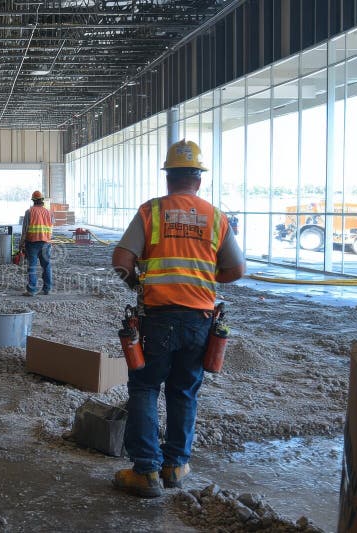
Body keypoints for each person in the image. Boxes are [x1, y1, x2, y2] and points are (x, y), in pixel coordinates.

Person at [110, 139, 245, 498]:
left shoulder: (151, 212)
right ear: (198, 179)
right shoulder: (216, 217)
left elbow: (121, 261)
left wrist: (137, 284)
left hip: (157, 318)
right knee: (184, 391)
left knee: (145, 387)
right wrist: (204, 280)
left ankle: (146, 472)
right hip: (201, 321)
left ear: (168, 178)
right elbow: (236, 270)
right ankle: (175, 466)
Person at [19, 190, 54, 296]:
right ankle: (47, 289)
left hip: (32, 243)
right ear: (42, 200)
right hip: (46, 243)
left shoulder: (29, 212)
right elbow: (51, 228)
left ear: (33, 200)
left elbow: (25, 230)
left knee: (32, 267)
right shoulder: (49, 212)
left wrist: (21, 244)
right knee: (46, 266)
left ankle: (32, 290)